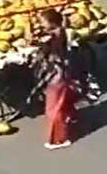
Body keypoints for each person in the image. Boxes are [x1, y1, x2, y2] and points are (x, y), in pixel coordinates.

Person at [32, 9, 79, 150]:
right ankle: (70, 116)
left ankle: (58, 139)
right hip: (61, 72)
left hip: (55, 76)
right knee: (63, 99)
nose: (41, 25)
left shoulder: (54, 37)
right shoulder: (60, 31)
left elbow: (42, 45)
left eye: (43, 22)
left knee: (53, 108)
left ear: (52, 23)